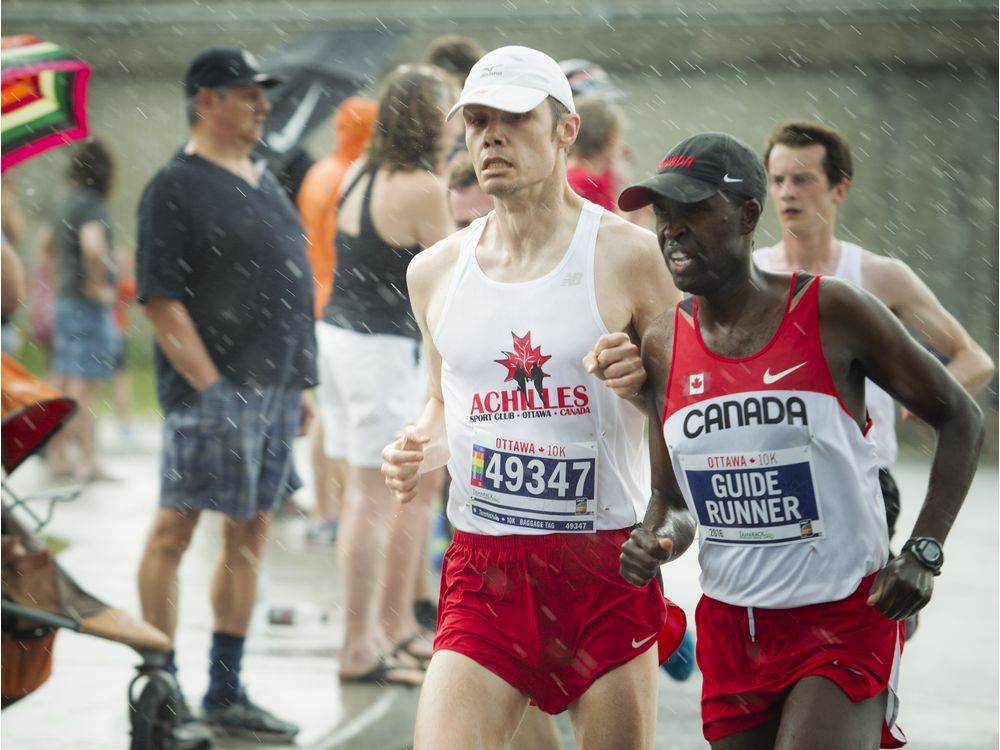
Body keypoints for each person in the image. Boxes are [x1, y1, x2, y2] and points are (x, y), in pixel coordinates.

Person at [617, 132, 984, 749]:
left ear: (747, 215)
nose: (673, 230)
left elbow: (961, 416)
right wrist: (655, 539)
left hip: (841, 619)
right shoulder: (661, 344)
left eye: (694, 210)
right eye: (664, 214)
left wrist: (923, 551)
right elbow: (674, 502)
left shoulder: (833, 311)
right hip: (734, 628)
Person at [380, 45, 684, 749]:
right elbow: (441, 397)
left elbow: (690, 408)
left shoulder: (628, 255)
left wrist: (642, 384)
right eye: (477, 119)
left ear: (564, 130)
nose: (491, 135)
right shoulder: (433, 273)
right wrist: (420, 442)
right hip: (485, 569)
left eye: (515, 117)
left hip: (604, 564)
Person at [135, 46, 317, 743]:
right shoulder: (172, 187)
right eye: (246, 94)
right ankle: (162, 684)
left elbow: (286, 284)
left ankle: (226, 689)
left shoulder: (263, 179)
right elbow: (160, 299)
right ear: (207, 101)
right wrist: (212, 390)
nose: (261, 105)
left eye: (260, 94)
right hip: (211, 391)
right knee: (175, 529)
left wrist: (299, 380)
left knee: (251, 532)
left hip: (272, 388)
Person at [756, 119, 994, 543]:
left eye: (803, 179)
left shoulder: (878, 277)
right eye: (778, 180)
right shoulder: (753, 275)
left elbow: (974, 358)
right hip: (773, 479)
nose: (787, 191)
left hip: (861, 482)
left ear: (839, 188)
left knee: (880, 606)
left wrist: (932, 396)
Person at [315, 64, 457, 687]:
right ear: (427, 119)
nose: (457, 127)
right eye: (450, 112)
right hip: (377, 350)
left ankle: (388, 629)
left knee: (368, 499)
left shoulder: (360, 172)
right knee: (382, 500)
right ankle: (363, 644)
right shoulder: (422, 186)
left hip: (341, 339)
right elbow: (458, 274)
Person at [296, 96, 378, 545]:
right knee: (345, 418)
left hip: (319, 298)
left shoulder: (319, 172)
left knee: (332, 411)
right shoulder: (353, 177)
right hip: (344, 302)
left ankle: (326, 510)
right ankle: (339, 513)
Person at [45, 137, 122, 482]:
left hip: (63, 300)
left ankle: (58, 454)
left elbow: (45, 245)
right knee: (82, 385)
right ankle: (88, 460)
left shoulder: (63, 201)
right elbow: (93, 247)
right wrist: (97, 285)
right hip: (85, 303)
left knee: (61, 381)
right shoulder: (90, 204)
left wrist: (59, 276)